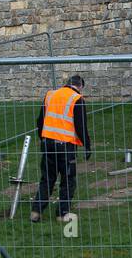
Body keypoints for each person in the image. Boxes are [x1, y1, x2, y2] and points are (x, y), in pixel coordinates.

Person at [31, 74, 92, 222]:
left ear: (67, 83)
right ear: (80, 87)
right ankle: (62, 213)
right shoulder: (77, 99)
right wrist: (87, 145)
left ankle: (36, 211)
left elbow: (40, 120)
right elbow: (80, 126)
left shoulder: (50, 95)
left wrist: (43, 138)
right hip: (65, 146)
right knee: (68, 179)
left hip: (48, 143)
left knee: (47, 178)